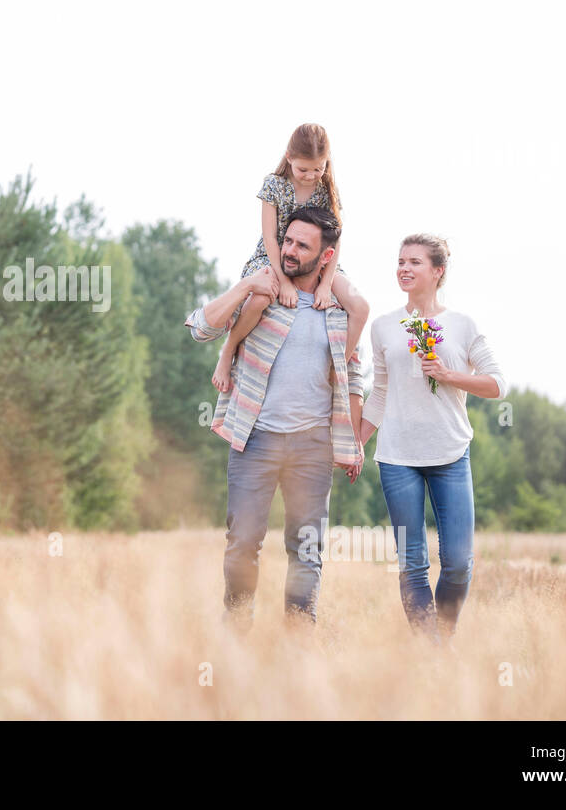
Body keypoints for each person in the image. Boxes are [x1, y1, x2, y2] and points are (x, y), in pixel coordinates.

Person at [185, 206, 364, 630]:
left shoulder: (336, 311)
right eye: (288, 240)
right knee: (242, 542)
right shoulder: (262, 296)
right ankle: (236, 632)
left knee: (306, 549)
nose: (290, 251)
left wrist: (354, 441)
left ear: (325, 256)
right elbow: (200, 328)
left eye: (303, 245)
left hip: (312, 446)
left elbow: (353, 374)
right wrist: (247, 283)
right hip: (256, 439)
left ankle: (298, 641)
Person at [359, 234, 507, 641]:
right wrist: (355, 444)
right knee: (412, 562)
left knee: (458, 562)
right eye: (400, 261)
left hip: (450, 453)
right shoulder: (384, 327)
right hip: (397, 456)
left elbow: (497, 384)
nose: (404, 268)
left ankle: (442, 634)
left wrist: (449, 375)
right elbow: (381, 394)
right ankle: (431, 654)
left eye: (415, 262)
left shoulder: (462, 325)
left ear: (438, 271)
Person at [211, 122, 369, 393]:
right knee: (260, 297)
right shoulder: (274, 185)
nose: (311, 175)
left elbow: (336, 237)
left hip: (319, 260)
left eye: (318, 168)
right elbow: (271, 237)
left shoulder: (326, 188)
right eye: (303, 169)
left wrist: (325, 282)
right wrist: (283, 282)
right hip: (275, 257)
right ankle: (229, 350)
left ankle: (335, 367)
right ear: (289, 158)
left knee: (360, 306)